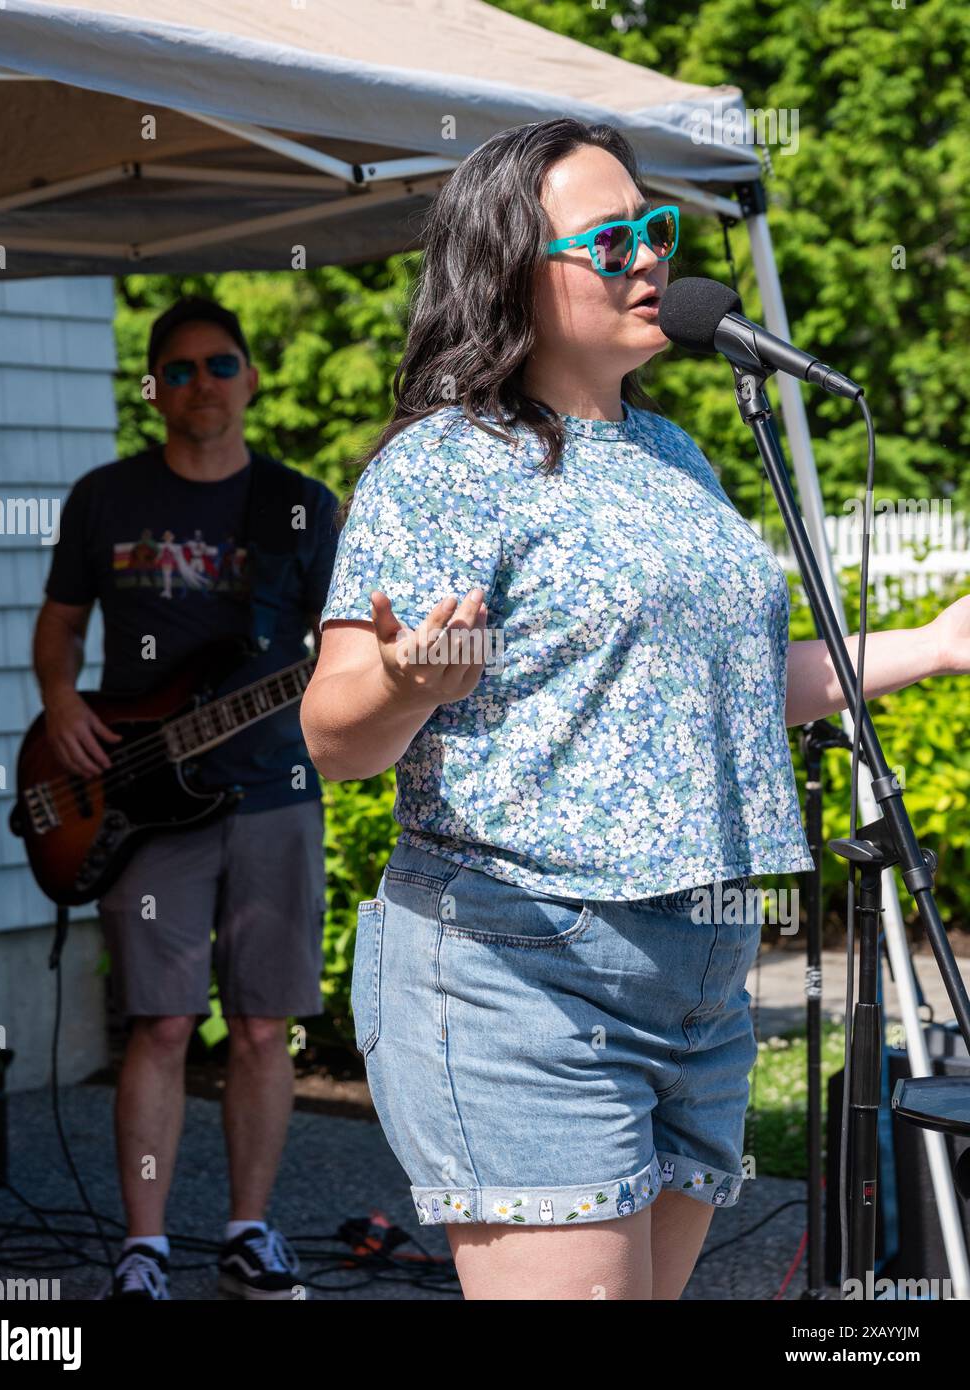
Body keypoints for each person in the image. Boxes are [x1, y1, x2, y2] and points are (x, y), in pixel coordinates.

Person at [299, 117, 970, 1301]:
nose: (649, 259)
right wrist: (409, 680)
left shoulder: (673, 454)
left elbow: (731, 686)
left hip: (698, 977)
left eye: (654, 229)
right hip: (523, 964)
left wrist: (931, 644)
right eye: (609, 241)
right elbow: (331, 732)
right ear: (508, 268)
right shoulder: (445, 460)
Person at [34, 296, 340, 1300]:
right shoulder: (105, 498)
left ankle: (249, 1231)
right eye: (177, 369)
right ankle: (145, 1246)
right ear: (152, 388)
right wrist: (59, 701)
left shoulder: (299, 505)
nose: (199, 383)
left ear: (249, 378)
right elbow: (61, 623)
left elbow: (343, 644)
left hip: (271, 792)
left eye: (219, 365)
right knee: (161, 1022)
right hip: (140, 795)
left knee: (261, 1024)